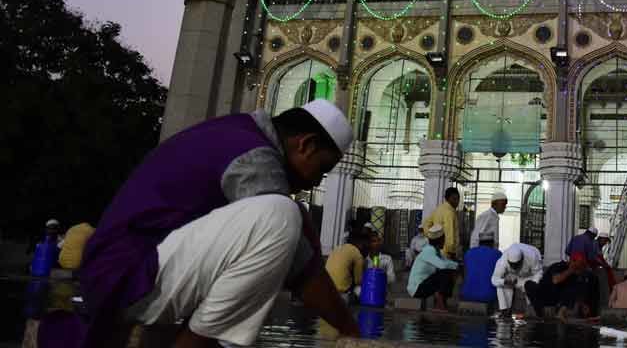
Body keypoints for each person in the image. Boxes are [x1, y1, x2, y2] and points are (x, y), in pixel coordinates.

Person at [40, 99, 361, 348]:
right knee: (280, 216)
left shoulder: (234, 133)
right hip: (128, 276)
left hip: (123, 273)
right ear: (305, 145)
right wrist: (351, 330)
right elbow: (301, 266)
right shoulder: (252, 153)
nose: (316, 182)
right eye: (322, 170)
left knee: (289, 215)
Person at [526, 253, 596, 320]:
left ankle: (561, 313)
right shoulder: (559, 266)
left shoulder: (577, 276)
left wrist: (583, 305)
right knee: (529, 284)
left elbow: (576, 291)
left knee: (573, 287)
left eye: (581, 267)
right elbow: (555, 280)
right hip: (544, 293)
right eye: (578, 266)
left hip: (556, 299)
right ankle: (540, 314)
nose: (579, 269)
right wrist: (571, 269)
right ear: (571, 261)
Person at [408, 224, 459, 311]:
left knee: (448, 270)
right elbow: (443, 265)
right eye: (443, 239)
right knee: (445, 272)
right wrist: (456, 266)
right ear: (440, 240)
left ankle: (442, 301)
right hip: (416, 288)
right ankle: (439, 304)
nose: (444, 241)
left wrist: (457, 265)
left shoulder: (436, 251)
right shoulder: (429, 251)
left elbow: (446, 261)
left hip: (422, 285)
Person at [491, 243, 543, 316]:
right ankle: (505, 311)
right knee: (500, 285)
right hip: (512, 277)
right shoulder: (502, 261)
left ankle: (533, 309)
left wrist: (531, 286)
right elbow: (494, 279)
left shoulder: (532, 256)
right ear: (508, 261)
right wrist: (505, 281)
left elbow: (538, 273)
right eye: (512, 265)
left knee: (531, 289)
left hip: (529, 276)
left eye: (517, 265)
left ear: (522, 259)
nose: (515, 267)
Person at [326, 226, 372, 300]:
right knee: (360, 291)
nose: (367, 252)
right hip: (341, 294)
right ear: (361, 244)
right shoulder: (357, 254)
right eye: (367, 248)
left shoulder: (337, 249)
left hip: (327, 289)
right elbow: (358, 281)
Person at [461, 232, 503, 304]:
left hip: (467, 295)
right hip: (489, 296)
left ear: (479, 243)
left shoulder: (468, 253)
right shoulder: (498, 254)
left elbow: (465, 275)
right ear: (492, 243)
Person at [426, 187, 461, 259]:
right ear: (447, 199)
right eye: (454, 199)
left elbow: (426, 224)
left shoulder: (438, 209)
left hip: (437, 249)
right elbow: (450, 234)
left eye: (458, 199)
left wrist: (432, 239)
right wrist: (451, 252)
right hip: (447, 253)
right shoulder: (450, 213)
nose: (457, 201)